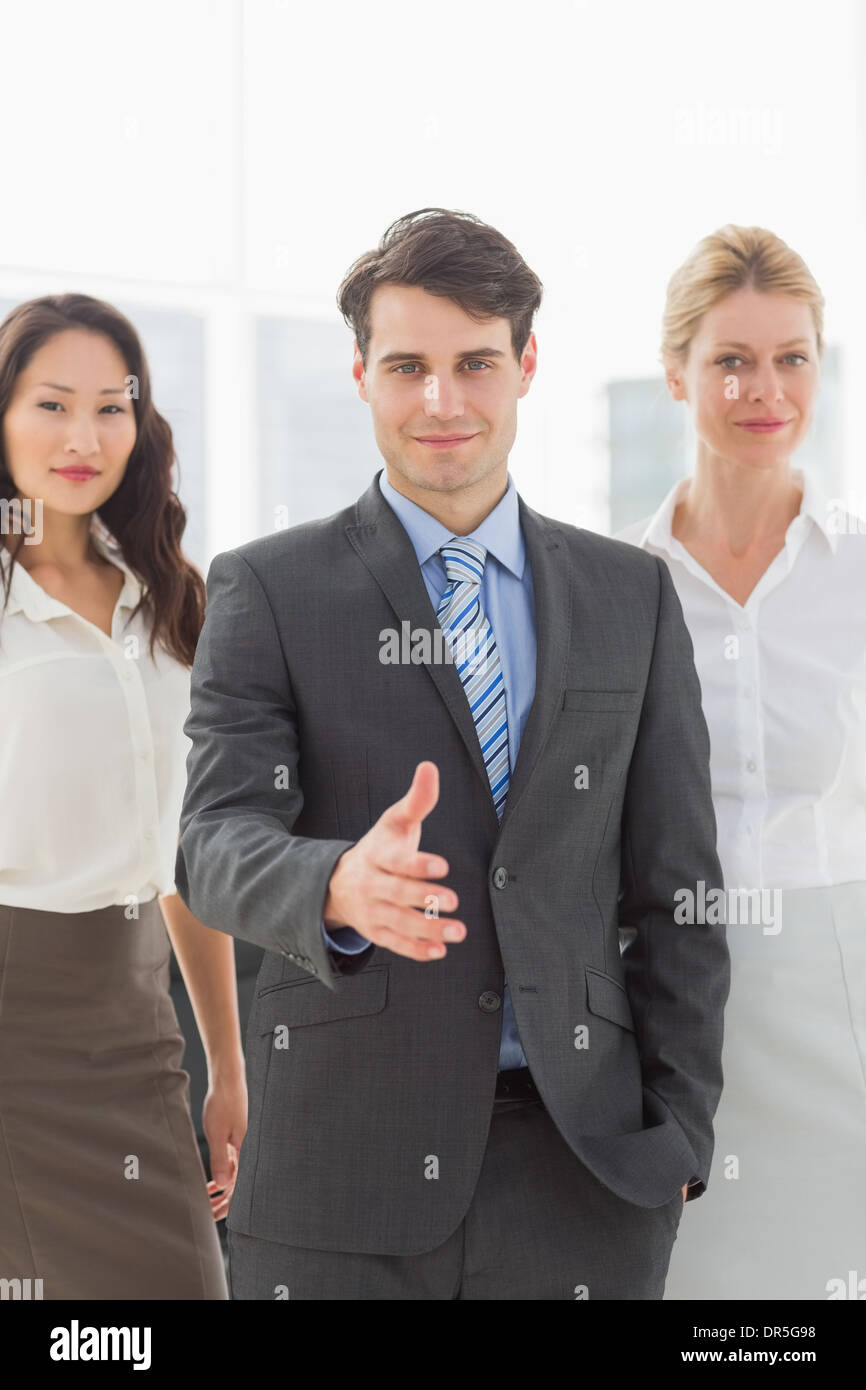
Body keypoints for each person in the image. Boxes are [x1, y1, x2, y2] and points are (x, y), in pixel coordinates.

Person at [176, 208, 729, 1301]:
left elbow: (679, 892)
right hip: (339, 1182)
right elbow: (213, 846)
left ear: (526, 365)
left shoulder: (630, 595)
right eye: (407, 367)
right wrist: (334, 883)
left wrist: (676, 1140)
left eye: (475, 362)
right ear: (361, 375)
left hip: (583, 1181)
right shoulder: (268, 588)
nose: (441, 401)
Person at [617, 224, 866, 1300]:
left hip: (839, 993)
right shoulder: (615, 584)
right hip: (670, 1004)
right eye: (730, 359)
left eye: (790, 358)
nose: (764, 389)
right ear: (675, 373)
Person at [0, 294, 246, 1299]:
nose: (83, 437)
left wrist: (226, 1064)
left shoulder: (171, 600)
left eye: (112, 408)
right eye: (52, 404)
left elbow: (189, 850)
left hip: (139, 1031)